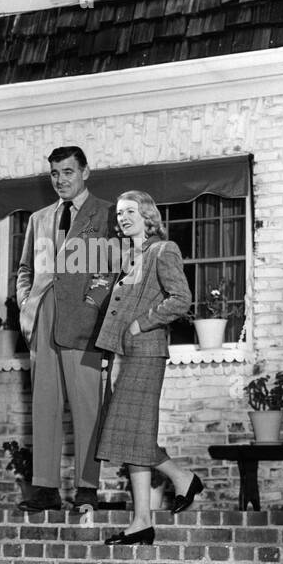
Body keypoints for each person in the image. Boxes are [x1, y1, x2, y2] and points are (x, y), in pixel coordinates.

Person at [94, 191, 204, 545]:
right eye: (119, 213)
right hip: (125, 354)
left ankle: (182, 477)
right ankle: (142, 520)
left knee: (131, 435)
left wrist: (142, 324)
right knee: (131, 436)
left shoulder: (163, 250)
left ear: (146, 214)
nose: (122, 218)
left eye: (129, 211)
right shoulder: (130, 258)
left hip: (146, 352)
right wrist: (112, 356)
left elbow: (182, 298)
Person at [15, 146, 115, 512]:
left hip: (83, 322)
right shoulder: (39, 219)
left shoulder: (105, 214)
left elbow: (109, 269)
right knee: (44, 404)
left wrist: (92, 309)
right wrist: (27, 305)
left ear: (85, 172)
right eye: (55, 173)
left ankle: (87, 487)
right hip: (43, 316)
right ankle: (45, 487)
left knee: (87, 405)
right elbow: (26, 269)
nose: (61, 180)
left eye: (68, 172)